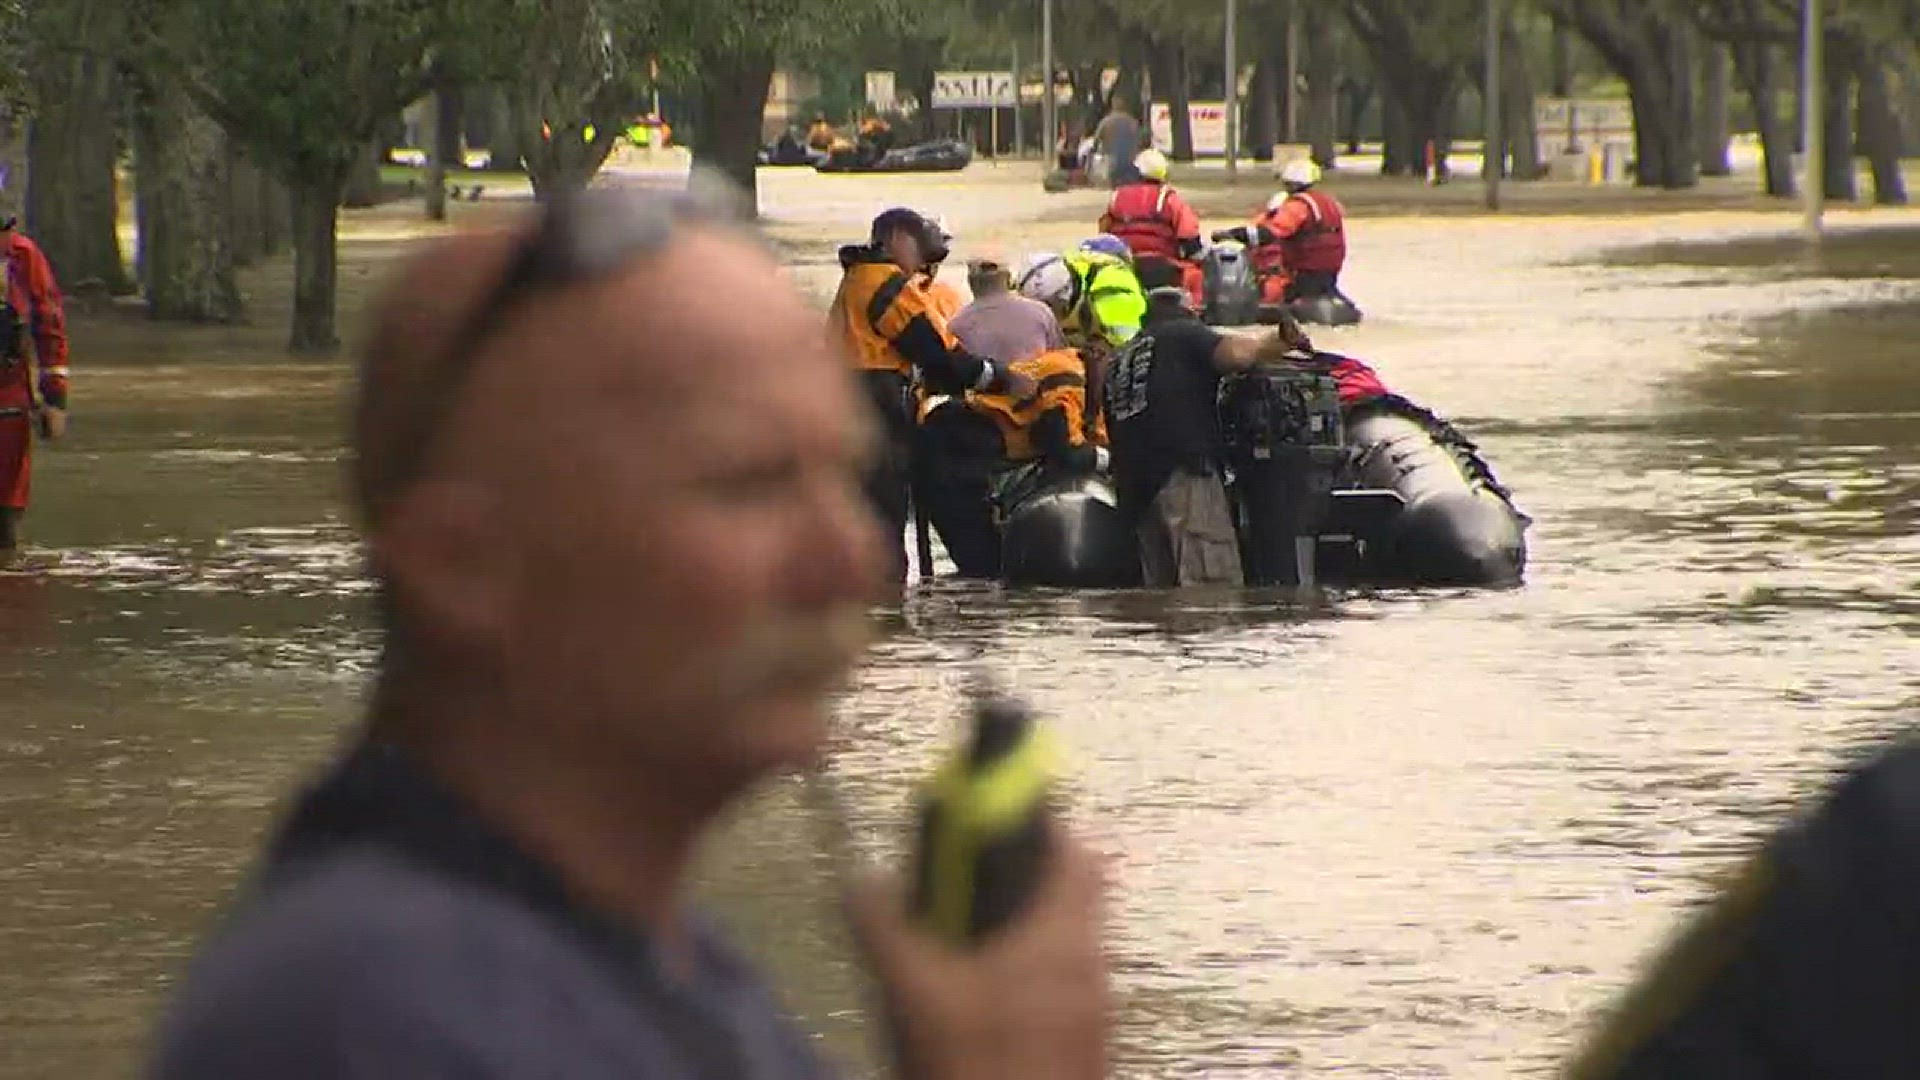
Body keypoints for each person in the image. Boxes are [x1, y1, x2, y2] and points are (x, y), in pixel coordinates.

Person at [149, 184, 1109, 1078]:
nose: (848, 562)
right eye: (749, 484)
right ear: (464, 565)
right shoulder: (386, 1018)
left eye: (839, 476)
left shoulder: (645, 955)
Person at [827, 208, 1027, 582]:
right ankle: (889, 601)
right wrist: (998, 377)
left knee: (869, 516)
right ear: (897, 239)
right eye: (918, 246)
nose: (922, 262)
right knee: (886, 519)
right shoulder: (884, 284)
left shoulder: (856, 279)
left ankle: (874, 602)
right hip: (877, 407)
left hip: (848, 406)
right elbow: (934, 352)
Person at [1103, 286, 1299, 587]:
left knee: (1161, 590)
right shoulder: (1183, 333)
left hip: (1134, 489)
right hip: (1183, 475)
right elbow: (1235, 355)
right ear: (1189, 310)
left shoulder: (1121, 357)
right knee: (1209, 586)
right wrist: (1279, 340)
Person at [0, 216, 71, 557]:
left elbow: (49, 323)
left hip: (7, 398)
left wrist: (55, 398)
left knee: (5, 518)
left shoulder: (20, 255)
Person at [1212, 158, 1347, 307]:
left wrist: (1233, 235)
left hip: (1306, 269)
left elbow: (1269, 233)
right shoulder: (1327, 202)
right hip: (1330, 267)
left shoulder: (1296, 206)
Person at [1098, 149, 1204, 309]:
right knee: (1196, 275)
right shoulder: (1168, 198)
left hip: (1125, 265)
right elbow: (1189, 235)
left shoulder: (1118, 196)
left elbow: (1104, 234)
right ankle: (1194, 311)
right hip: (1163, 265)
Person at [1090, 99, 1142, 187]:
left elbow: (1096, 139)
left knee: (1112, 182)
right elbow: (1139, 139)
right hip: (1130, 159)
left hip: (1111, 159)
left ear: (1113, 107)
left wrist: (1094, 150)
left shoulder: (1106, 121)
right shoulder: (1132, 122)